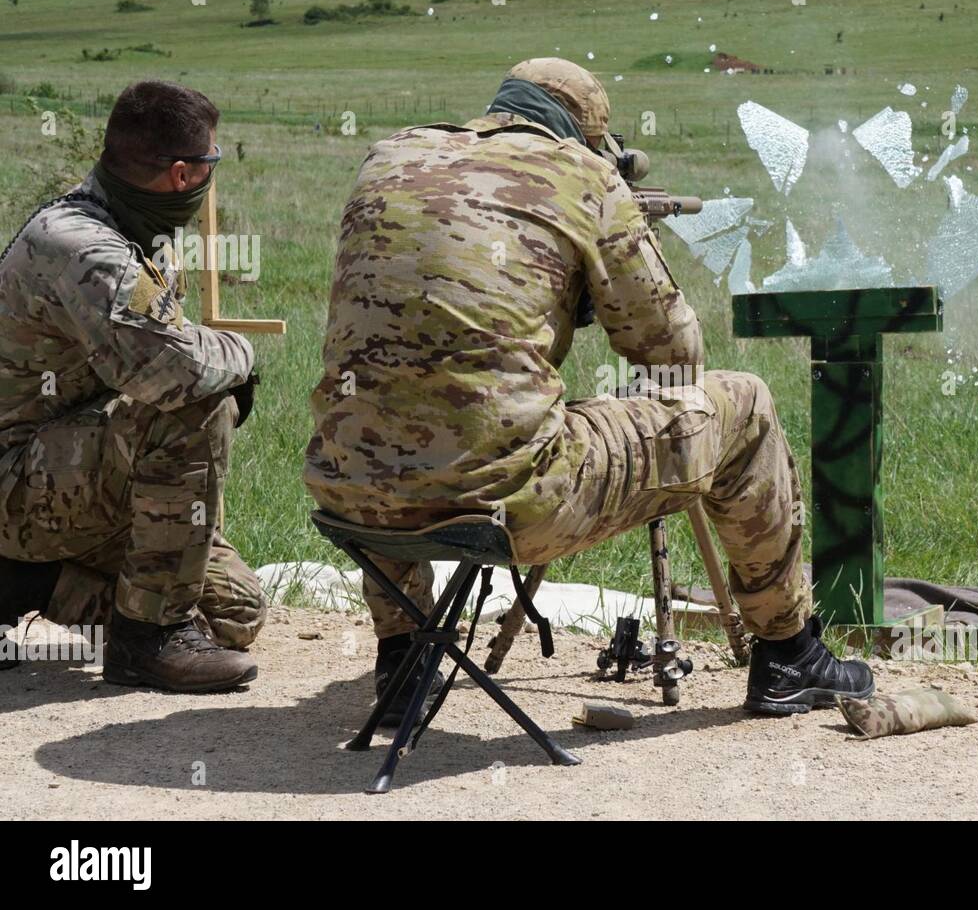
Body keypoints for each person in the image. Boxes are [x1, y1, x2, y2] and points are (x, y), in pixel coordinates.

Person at [305, 58, 872, 716]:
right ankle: (790, 655)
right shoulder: (583, 176)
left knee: (390, 411)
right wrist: (606, 254)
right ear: (584, 135)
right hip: (509, 503)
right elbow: (672, 355)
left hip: (348, 490)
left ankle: (403, 659)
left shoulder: (391, 155)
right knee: (743, 406)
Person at [0, 80, 265, 691]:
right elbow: (175, 374)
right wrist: (244, 356)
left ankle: (26, 582)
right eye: (211, 164)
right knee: (199, 406)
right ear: (181, 174)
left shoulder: (134, 231)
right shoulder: (83, 247)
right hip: (18, 478)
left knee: (234, 614)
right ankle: (147, 644)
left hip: (81, 472)